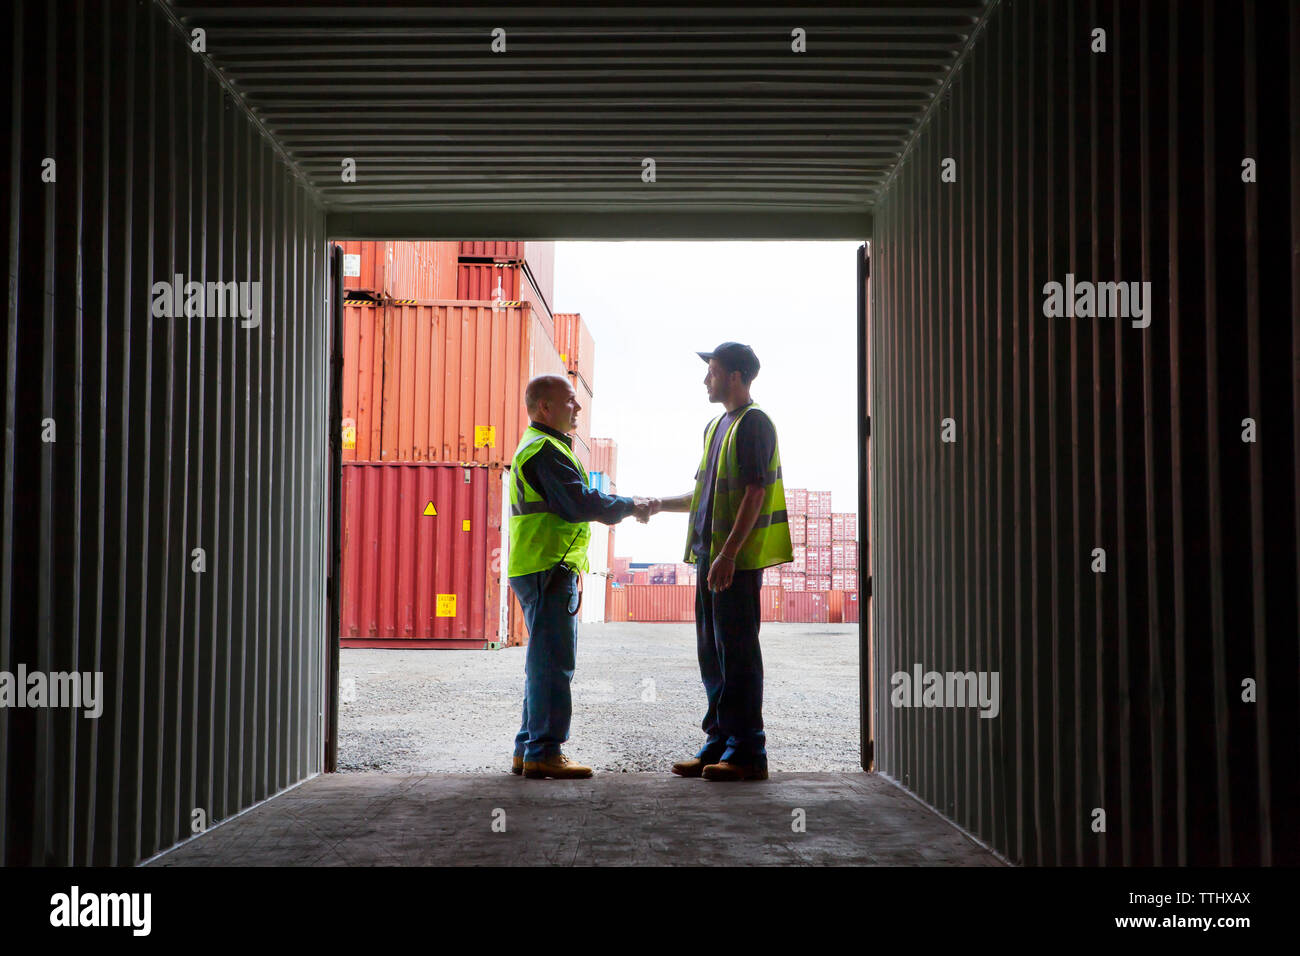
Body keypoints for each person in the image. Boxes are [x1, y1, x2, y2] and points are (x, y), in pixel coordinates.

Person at [638, 343, 793, 781]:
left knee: (738, 655)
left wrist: (728, 554)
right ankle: (718, 743)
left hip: (735, 564)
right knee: (712, 656)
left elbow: (755, 493)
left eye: (713, 372)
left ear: (736, 377)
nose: (705, 380)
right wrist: (657, 503)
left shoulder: (754, 424)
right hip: (710, 560)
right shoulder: (714, 426)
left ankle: (747, 753)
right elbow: (701, 495)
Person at [507, 374, 654, 779]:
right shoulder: (544, 450)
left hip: (541, 565)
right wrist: (631, 505)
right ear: (544, 408)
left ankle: (529, 748)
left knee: (543, 662)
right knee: (554, 663)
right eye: (571, 400)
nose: (579, 407)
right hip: (548, 567)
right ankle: (544, 751)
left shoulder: (542, 446)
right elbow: (578, 503)